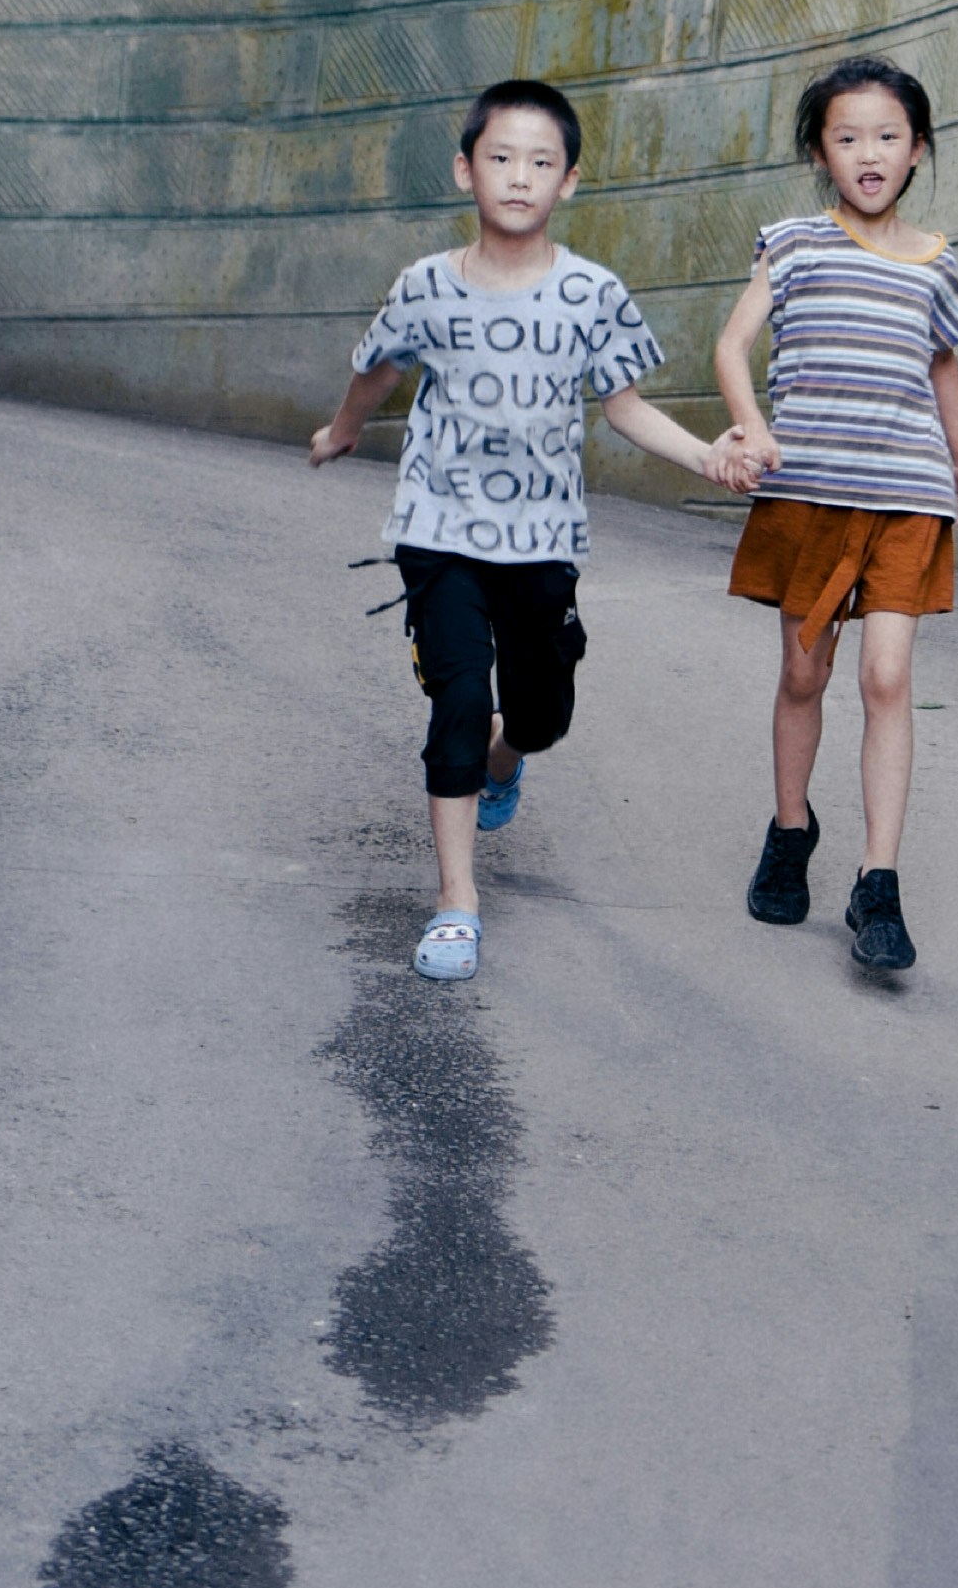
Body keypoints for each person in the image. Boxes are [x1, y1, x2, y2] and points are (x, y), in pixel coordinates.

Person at [311, 76, 746, 982]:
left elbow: (622, 405)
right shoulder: (426, 284)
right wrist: (344, 431)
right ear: (464, 169)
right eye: (500, 158)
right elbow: (377, 370)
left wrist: (707, 456)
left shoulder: (592, 292)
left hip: (543, 541)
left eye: (539, 162)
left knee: (538, 715)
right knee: (458, 701)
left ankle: (509, 758)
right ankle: (456, 904)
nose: (518, 176)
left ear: (569, 181)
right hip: (440, 532)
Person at [713, 53, 958, 979]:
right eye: (846, 137)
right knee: (803, 675)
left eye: (887, 136)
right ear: (820, 152)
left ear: (917, 150)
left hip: (906, 497)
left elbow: (941, 364)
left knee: (885, 679)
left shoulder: (936, 262)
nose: (868, 152)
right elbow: (732, 344)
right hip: (809, 494)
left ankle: (878, 881)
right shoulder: (792, 243)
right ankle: (791, 830)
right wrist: (751, 425)